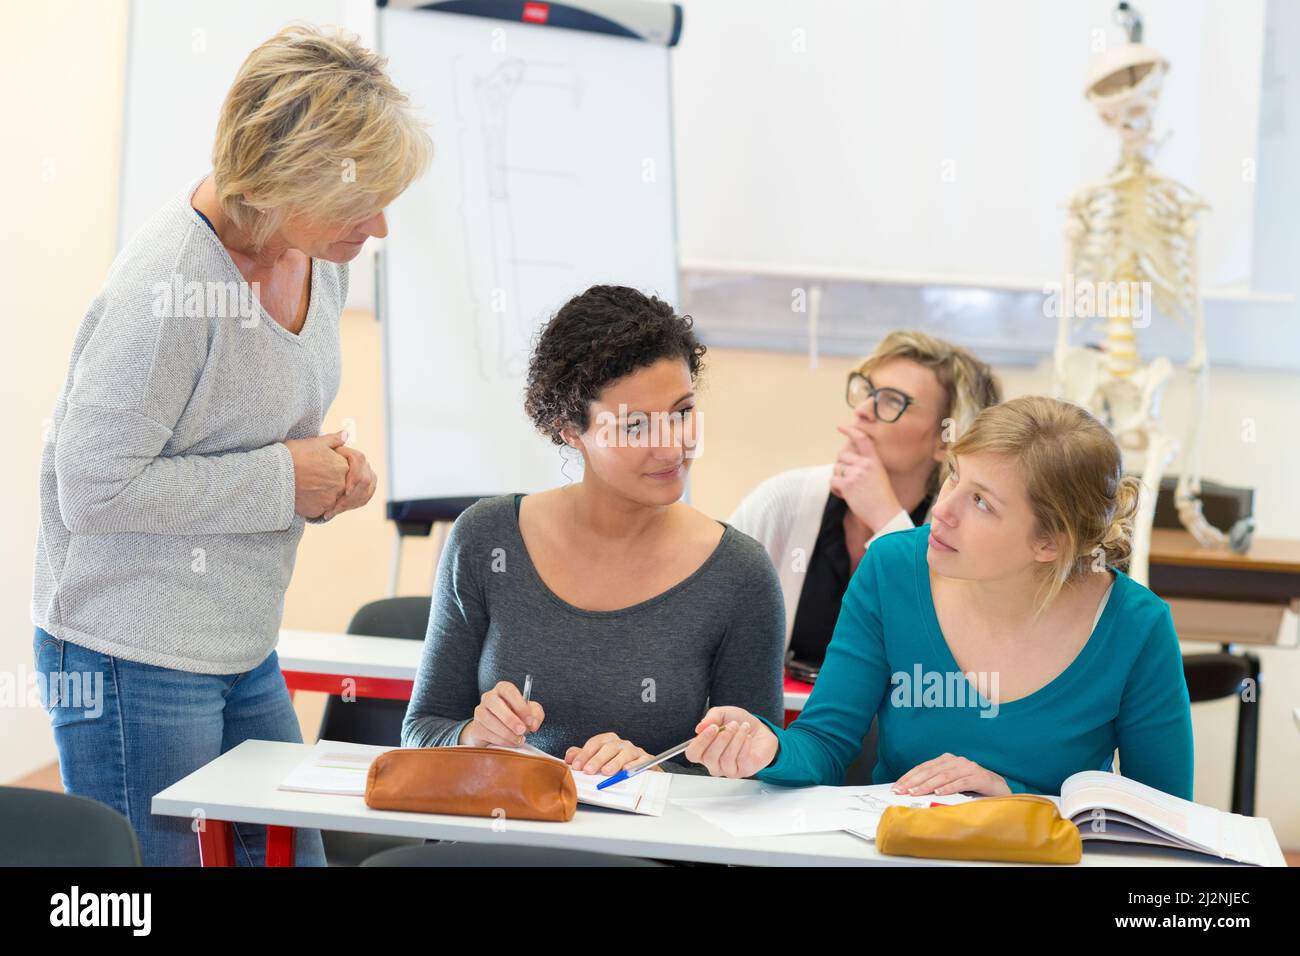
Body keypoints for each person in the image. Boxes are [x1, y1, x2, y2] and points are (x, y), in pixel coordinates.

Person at [32, 25, 432, 865]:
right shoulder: (167, 288)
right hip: (131, 651)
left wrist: (322, 475)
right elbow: (94, 490)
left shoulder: (320, 254)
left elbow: (244, 439)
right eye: (362, 200)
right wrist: (283, 478)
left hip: (241, 640)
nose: (382, 225)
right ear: (287, 176)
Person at [686, 396, 1195, 800]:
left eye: (981, 503)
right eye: (954, 475)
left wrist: (1014, 801)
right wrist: (768, 749)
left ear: (1050, 542)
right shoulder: (890, 569)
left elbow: (1161, 817)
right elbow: (824, 745)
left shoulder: (1137, 626)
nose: (943, 510)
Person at [402, 285, 784, 776]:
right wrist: (475, 736)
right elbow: (420, 732)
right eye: (636, 427)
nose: (671, 449)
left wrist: (655, 773)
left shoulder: (738, 573)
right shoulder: (485, 539)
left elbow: (754, 773)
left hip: (646, 849)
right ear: (569, 429)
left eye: (682, 414)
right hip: (503, 836)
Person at [729, 330, 1000, 663]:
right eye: (867, 391)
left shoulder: (960, 536)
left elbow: (935, 664)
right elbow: (712, 620)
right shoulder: (782, 502)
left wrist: (886, 519)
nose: (862, 412)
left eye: (892, 400)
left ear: (945, 440)